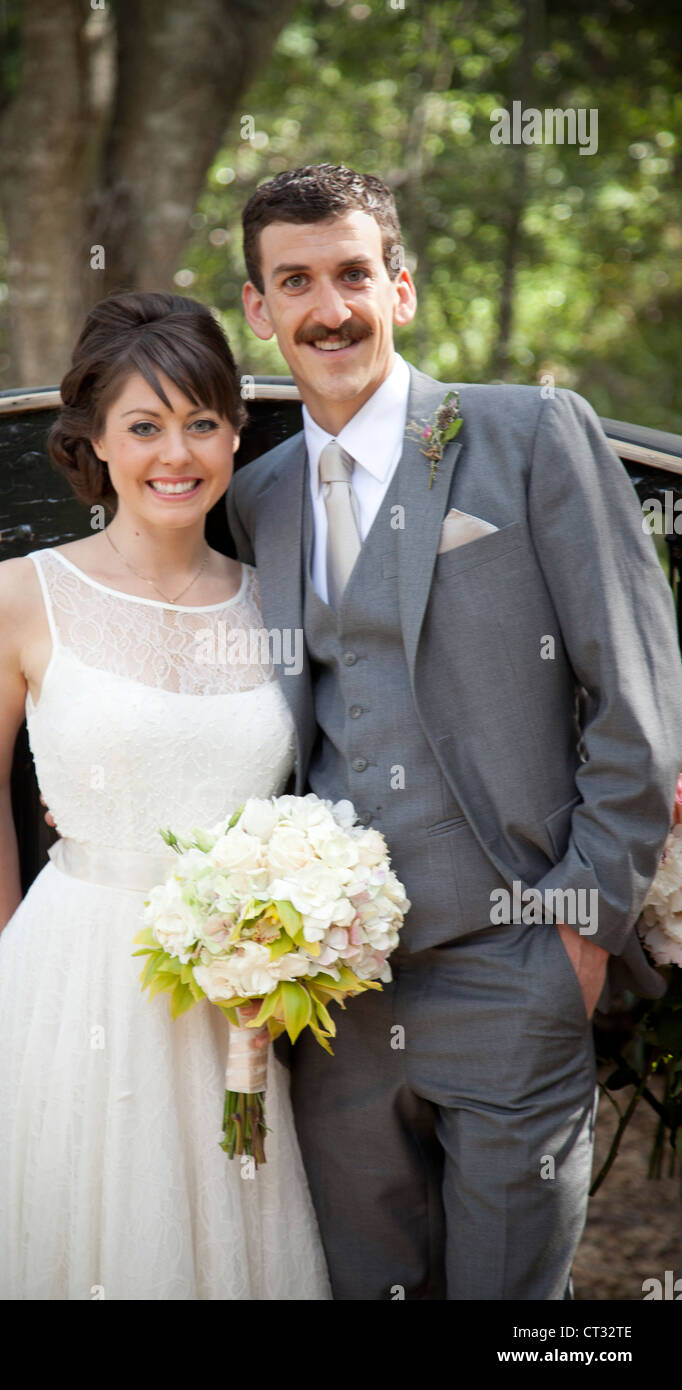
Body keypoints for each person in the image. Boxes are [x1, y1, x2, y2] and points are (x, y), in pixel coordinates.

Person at [224, 163, 682, 1299]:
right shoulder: (260, 496)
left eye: (350, 274)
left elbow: (636, 696)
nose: (328, 307)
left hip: (514, 966)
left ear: (401, 286)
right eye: (295, 281)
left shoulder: (525, 434)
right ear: (257, 307)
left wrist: (575, 936)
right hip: (336, 1002)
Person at [0, 290, 331, 1300]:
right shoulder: (20, 595)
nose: (173, 454)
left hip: (233, 1000)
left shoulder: (282, 600)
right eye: (142, 426)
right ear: (94, 441)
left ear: (233, 431)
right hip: (71, 975)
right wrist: (14, 955)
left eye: (199, 422)